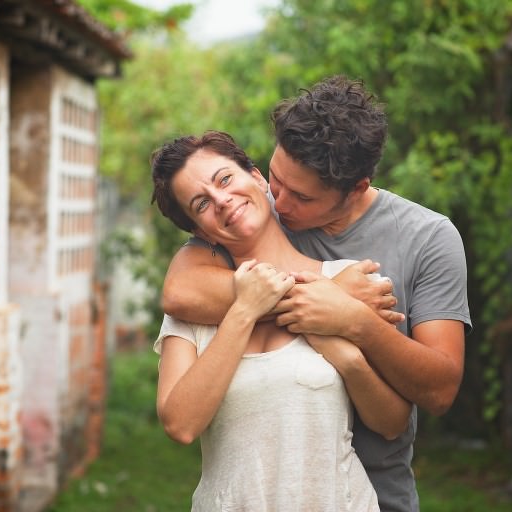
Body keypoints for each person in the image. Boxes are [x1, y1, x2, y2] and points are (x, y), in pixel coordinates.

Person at [160, 76, 472, 512]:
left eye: (301, 197)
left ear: (356, 189)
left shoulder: (427, 238)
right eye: (273, 177)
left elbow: (437, 391)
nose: (279, 203)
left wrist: (353, 321)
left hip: (374, 494)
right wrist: (320, 296)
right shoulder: (248, 209)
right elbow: (179, 292)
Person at [151, 131, 413, 511]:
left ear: (257, 178)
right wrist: (244, 311)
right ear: (199, 231)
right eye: (201, 203)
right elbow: (181, 425)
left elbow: (393, 422)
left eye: (225, 179)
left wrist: (346, 357)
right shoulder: (193, 309)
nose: (222, 201)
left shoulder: (351, 281)